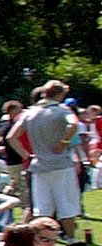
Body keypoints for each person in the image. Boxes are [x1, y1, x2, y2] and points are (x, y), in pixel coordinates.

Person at [17, 79, 82, 237]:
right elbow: (74, 124)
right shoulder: (62, 110)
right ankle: (71, 240)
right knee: (66, 207)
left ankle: (43, 242)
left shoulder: (30, 112)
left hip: (39, 165)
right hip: (61, 164)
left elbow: (12, 136)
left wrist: (26, 154)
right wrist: (63, 142)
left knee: (42, 209)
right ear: (59, 94)